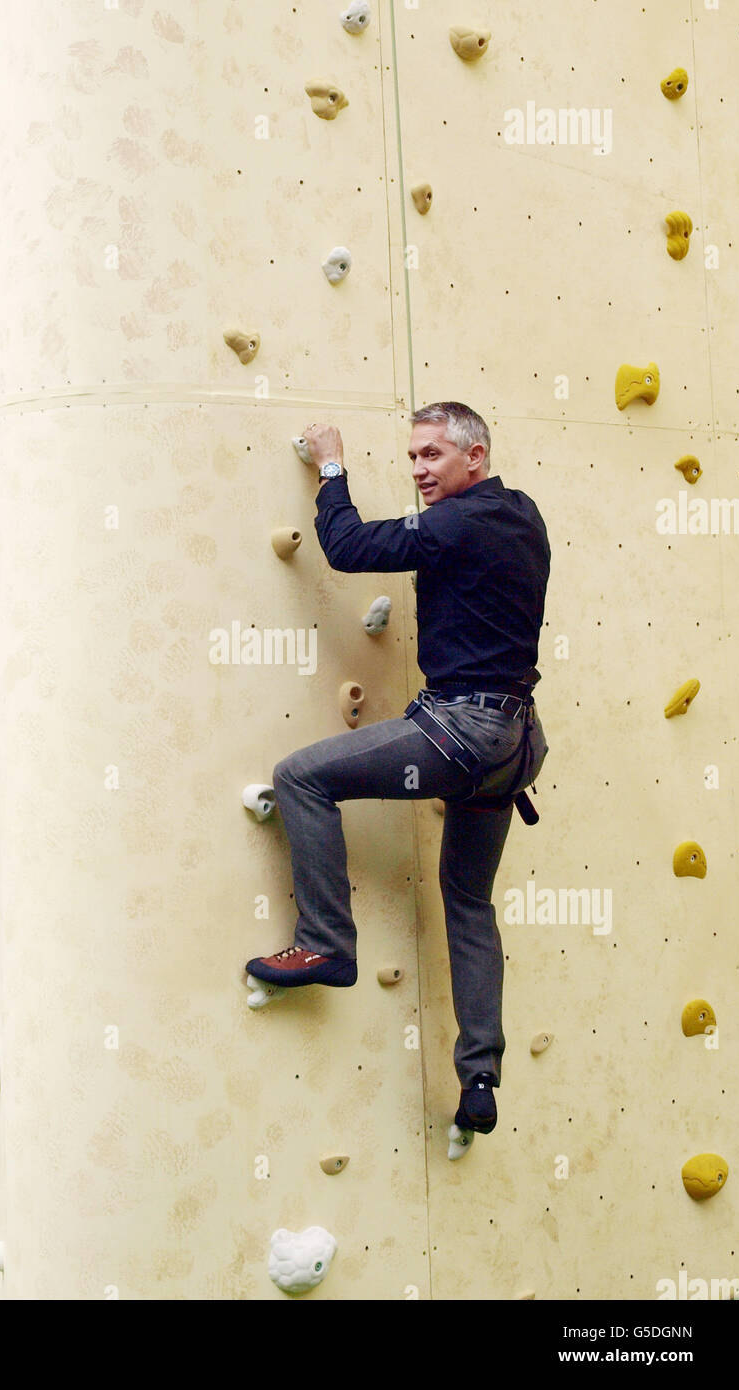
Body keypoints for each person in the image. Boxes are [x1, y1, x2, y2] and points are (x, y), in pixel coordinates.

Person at [245, 402, 550, 1139]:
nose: (419, 471)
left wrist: (330, 464)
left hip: (462, 732)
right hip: (513, 746)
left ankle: (327, 943)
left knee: (302, 777)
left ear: (475, 457)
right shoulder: (522, 513)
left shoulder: (457, 522)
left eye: (433, 456)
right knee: (468, 903)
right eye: (413, 457)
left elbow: (347, 546)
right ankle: (479, 1076)